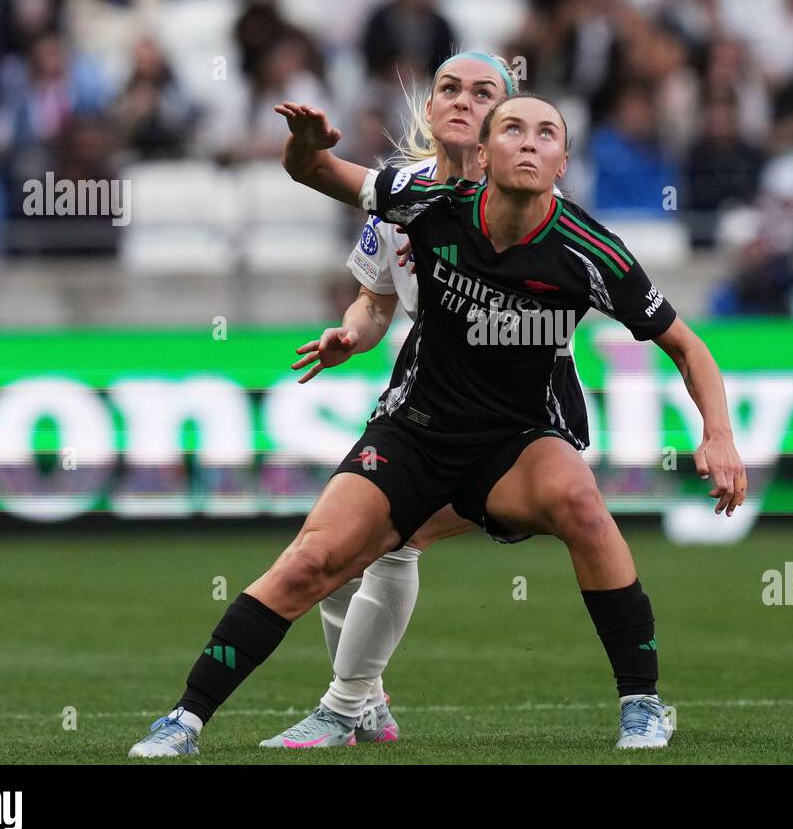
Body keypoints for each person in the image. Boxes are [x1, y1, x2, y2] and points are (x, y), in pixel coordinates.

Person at [127, 92, 745, 757]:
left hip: (517, 443)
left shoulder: (588, 250)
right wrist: (308, 144)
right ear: (482, 154)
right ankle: (185, 722)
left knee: (584, 508)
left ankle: (643, 705)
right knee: (313, 562)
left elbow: (687, 345)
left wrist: (718, 435)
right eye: (513, 129)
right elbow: (316, 174)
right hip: (416, 432)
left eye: (547, 134)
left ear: (563, 160)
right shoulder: (428, 204)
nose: (530, 142)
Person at [280, 51, 590, 749]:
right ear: (428, 109)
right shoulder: (398, 193)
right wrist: (351, 337)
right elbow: (375, 300)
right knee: (328, 555)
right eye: (448, 88)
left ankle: (342, 707)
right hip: (430, 396)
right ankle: (368, 704)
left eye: (484, 93)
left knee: (393, 536)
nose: (461, 101)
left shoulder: (525, 197)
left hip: (520, 411)